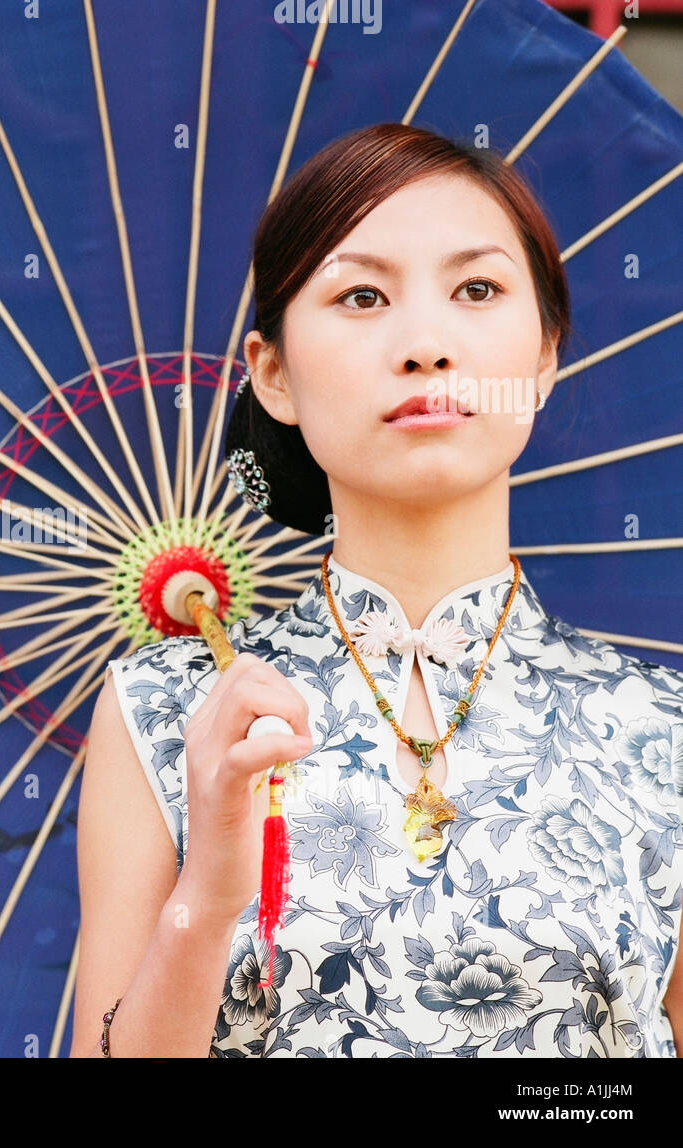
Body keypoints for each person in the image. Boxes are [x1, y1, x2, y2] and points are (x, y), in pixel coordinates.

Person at [71, 122, 683, 1058]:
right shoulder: (168, 710)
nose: (426, 345)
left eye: (477, 289)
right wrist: (208, 895)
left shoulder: (664, 730)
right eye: (362, 295)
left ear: (547, 356)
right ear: (272, 373)